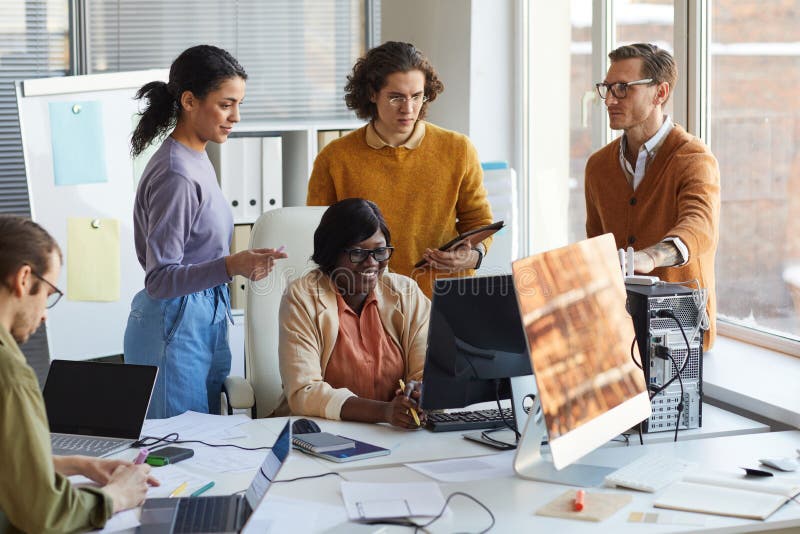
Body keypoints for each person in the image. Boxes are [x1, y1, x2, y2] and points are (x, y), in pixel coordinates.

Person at [125, 45, 287, 419]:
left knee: (206, 437)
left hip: (205, 312)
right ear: (189, 101)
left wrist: (236, 266)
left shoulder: (196, 157)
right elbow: (160, 280)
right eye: (226, 104)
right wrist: (232, 265)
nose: (236, 117)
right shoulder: (177, 174)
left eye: (239, 104)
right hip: (174, 318)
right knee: (181, 441)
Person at [0, 215, 157, 532]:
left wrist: (77, 463)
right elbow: (43, 513)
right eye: (48, 295)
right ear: (24, 279)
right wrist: (116, 496)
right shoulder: (9, 372)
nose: (44, 315)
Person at [306, 41, 494, 297]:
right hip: (365, 300)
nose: (408, 108)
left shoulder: (458, 149)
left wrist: (472, 256)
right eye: (396, 97)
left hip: (442, 297)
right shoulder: (335, 157)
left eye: (417, 96)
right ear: (372, 93)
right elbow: (320, 237)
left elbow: (479, 222)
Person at [585, 43, 720, 349]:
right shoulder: (597, 166)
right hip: (619, 334)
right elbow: (597, 247)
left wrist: (651, 257)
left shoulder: (693, 158)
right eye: (607, 88)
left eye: (623, 88)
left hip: (682, 337)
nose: (610, 99)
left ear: (660, 93)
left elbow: (700, 227)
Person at [278, 199, 429, 428]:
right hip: (321, 431)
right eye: (358, 253)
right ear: (331, 253)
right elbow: (304, 391)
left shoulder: (406, 292)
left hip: (396, 433)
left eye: (380, 251)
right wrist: (384, 412)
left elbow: (429, 370)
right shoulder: (302, 296)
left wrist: (421, 392)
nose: (372, 263)